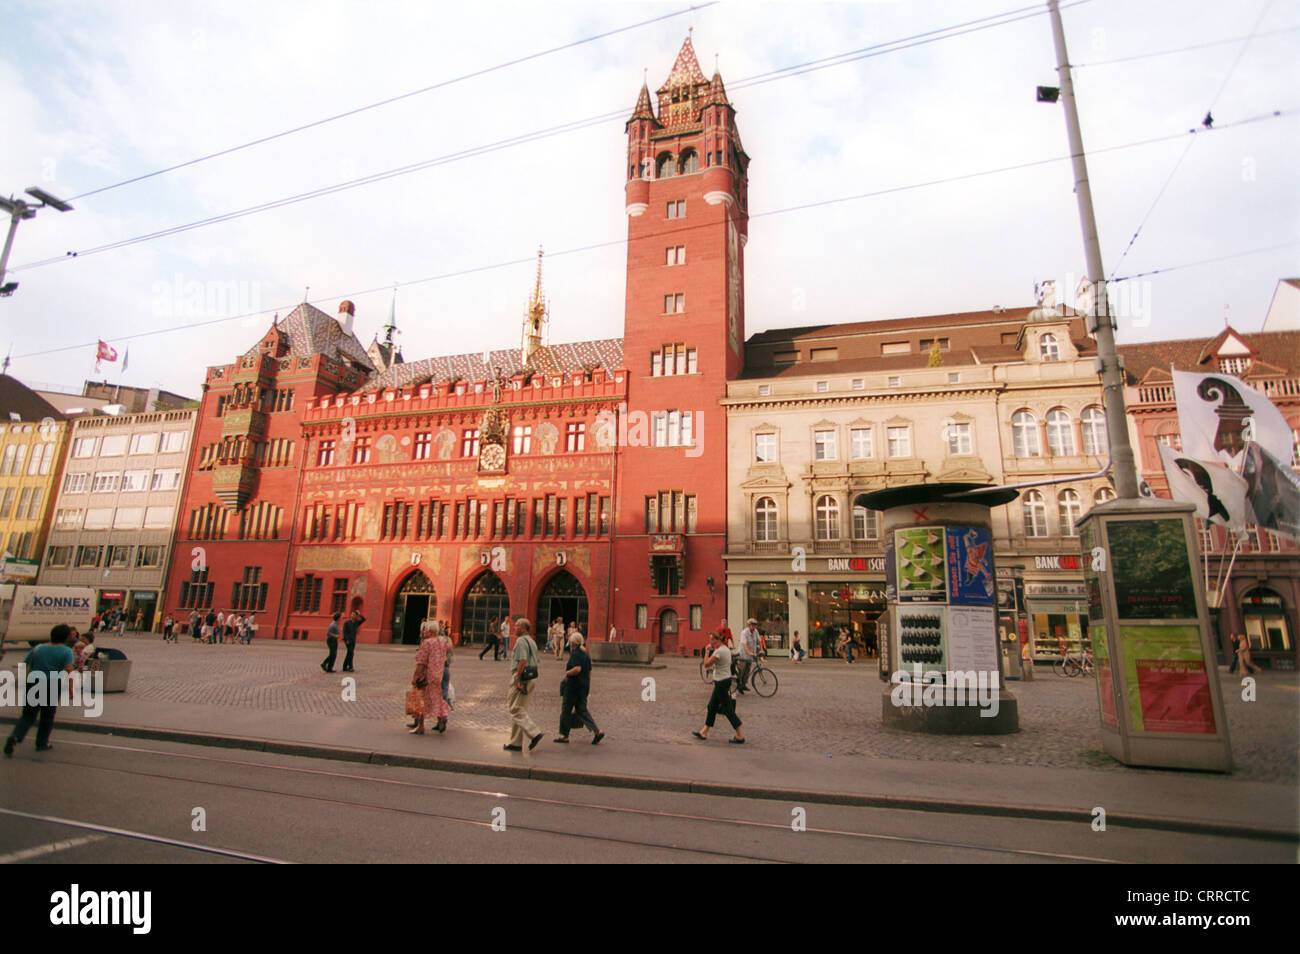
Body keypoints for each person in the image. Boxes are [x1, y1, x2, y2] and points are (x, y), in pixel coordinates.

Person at [5, 623, 77, 756]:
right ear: (66, 637)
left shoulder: (38, 648)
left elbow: (26, 663)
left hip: (33, 682)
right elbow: (69, 670)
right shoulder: (66, 651)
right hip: (52, 685)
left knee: (28, 715)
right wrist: (72, 689)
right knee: (47, 715)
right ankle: (42, 743)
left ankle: (15, 736)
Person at [693, 631, 745, 744]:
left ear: (717, 640)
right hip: (723, 681)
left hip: (721, 682)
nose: (710, 642)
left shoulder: (719, 652)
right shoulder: (726, 649)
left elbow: (706, 664)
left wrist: (707, 651)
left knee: (728, 710)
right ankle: (704, 732)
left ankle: (740, 735)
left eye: (711, 640)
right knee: (712, 707)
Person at [555, 633, 603, 745]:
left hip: (573, 687)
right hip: (583, 687)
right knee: (582, 710)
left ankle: (564, 735)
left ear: (572, 643)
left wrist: (567, 673)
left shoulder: (575, 654)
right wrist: (587, 686)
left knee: (566, 710)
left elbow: (577, 669)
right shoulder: (586, 654)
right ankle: (597, 731)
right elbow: (589, 672)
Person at [503, 618, 543, 752]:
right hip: (532, 677)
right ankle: (515, 743)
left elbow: (522, 660)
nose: (514, 627)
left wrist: (518, 679)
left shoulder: (520, 641)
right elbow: (536, 662)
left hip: (522, 676)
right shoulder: (532, 641)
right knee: (521, 710)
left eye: (517, 626)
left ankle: (534, 733)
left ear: (523, 628)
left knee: (514, 709)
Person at [410, 620, 452, 734]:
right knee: (436, 698)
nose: (424, 632)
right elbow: (450, 647)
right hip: (438, 675)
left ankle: (420, 726)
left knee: (419, 699)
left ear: (431, 631)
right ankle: (441, 718)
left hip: (426, 675)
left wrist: (416, 676)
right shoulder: (442, 642)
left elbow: (421, 661)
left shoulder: (427, 643)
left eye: (426, 630)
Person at [736, 619, 759, 694]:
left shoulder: (755, 632)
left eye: (755, 625)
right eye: (753, 625)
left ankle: (743, 685)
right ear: (749, 625)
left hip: (751, 654)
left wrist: (762, 649)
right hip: (743, 654)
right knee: (742, 670)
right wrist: (749, 652)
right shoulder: (744, 633)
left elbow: (759, 641)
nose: (754, 626)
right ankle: (739, 685)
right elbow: (744, 644)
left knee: (747, 670)